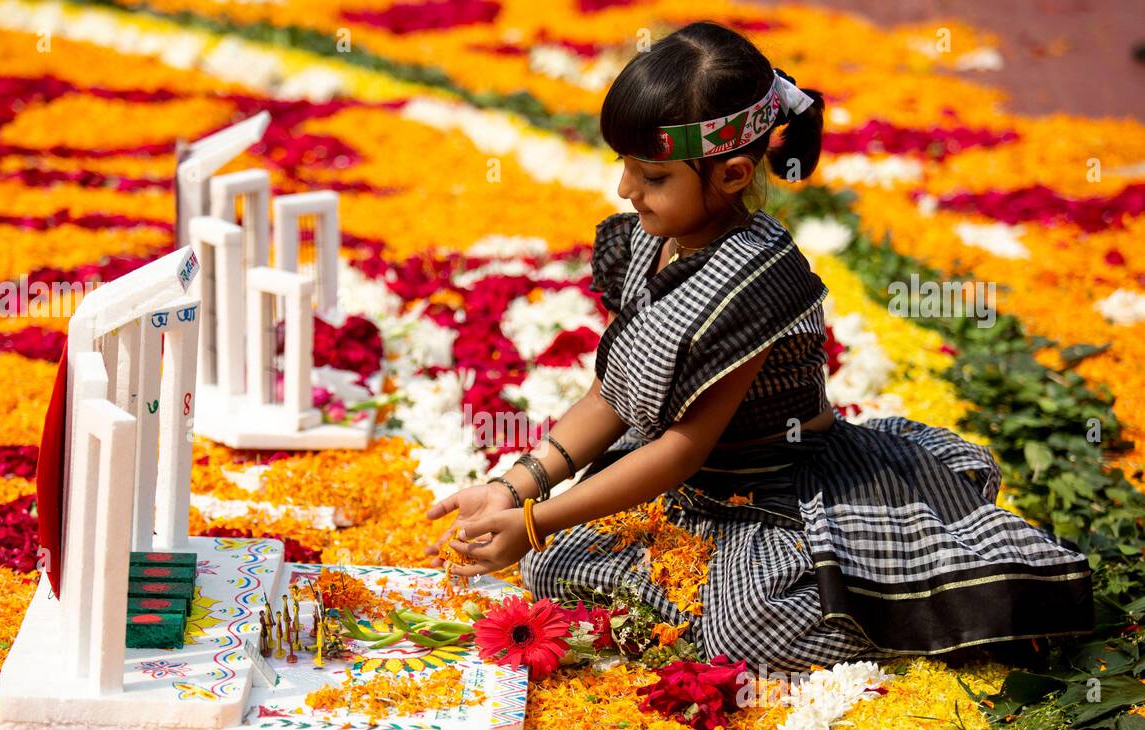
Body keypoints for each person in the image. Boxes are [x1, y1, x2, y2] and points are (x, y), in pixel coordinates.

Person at [424, 21, 1094, 671]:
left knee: (745, 626)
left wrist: (537, 520)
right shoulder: (650, 241)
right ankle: (680, 584)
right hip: (690, 485)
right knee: (551, 563)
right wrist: (516, 489)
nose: (626, 191)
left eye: (651, 178)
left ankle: (916, 591)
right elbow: (612, 393)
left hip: (774, 492)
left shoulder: (756, 280)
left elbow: (682, 449)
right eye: (626, 170)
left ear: (735, 174)